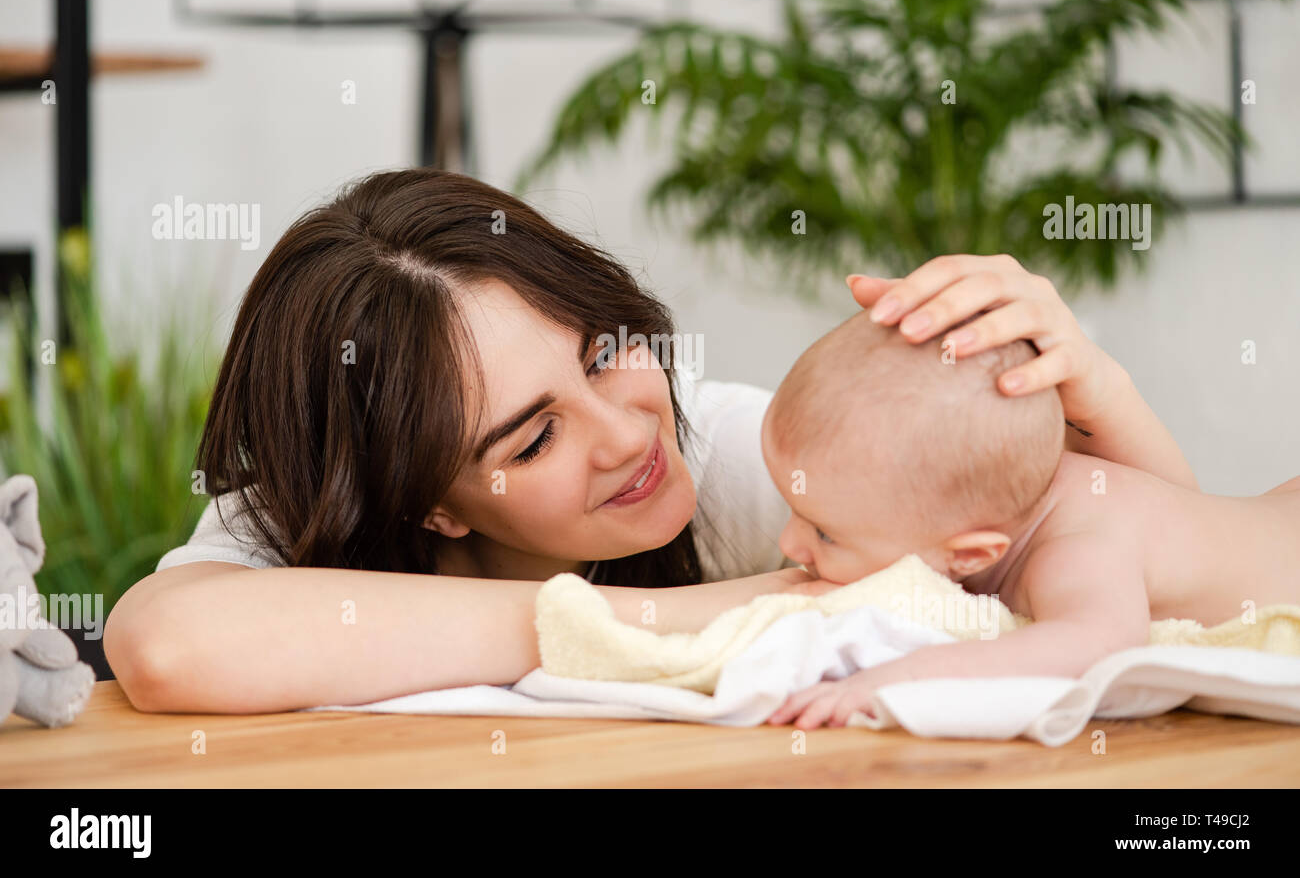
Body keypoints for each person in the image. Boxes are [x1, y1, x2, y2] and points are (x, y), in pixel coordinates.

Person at [103, 167, 1198, 713]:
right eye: (531, 441)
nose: (630, 434)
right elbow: (163, 647)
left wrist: (1100, 387)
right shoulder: (316, 511)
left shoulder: (734, 458)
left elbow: (1153, 598)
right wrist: (679, 618)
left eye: (602, 353)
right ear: (429, 503)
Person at [758, 313, 1297, 728]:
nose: (789, 542)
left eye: (823, 530)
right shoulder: (1006, 484)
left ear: (970, 553)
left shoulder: (1073, 552)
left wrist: (896, 680)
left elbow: (1103, 644)